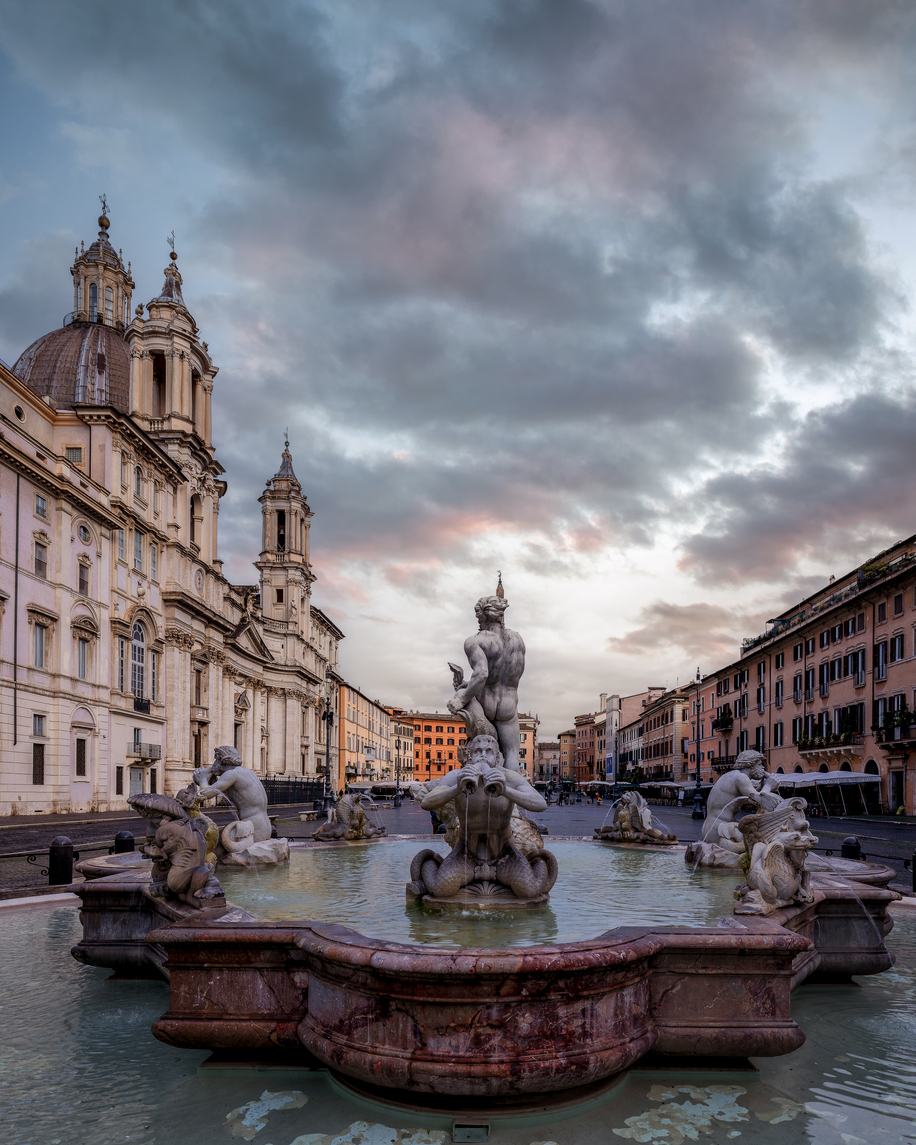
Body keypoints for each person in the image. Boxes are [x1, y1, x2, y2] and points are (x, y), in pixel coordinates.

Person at [447, 589, 526, 772]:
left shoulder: (474, 641)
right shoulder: (517, 640)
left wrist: (461, 698)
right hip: (509, 703)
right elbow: (515, 674)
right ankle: (510, 797)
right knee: (512, 755)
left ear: (480, 616)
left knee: (481, 755)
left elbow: (482, 674)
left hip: (486, 703)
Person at [701, 749, 779, 853]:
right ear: (751, 764)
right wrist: (769, 785)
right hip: (721, 829)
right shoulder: (741, 778)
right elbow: (760, 800)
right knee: (761, 835)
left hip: (710, 828)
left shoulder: (729, 776)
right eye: (760, 764)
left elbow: (750, 797)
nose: (763, 768)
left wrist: (763, 786)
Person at [194, 746, 272, 843]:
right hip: (264, 827)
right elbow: (224, 792)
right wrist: (211, 779)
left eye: (216, 760)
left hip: (252, 828)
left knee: (214, 845)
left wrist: (202, 780)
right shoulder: (246, 772)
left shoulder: (231, 774)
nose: (213, 763)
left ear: (222, 760)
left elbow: (204, 794)